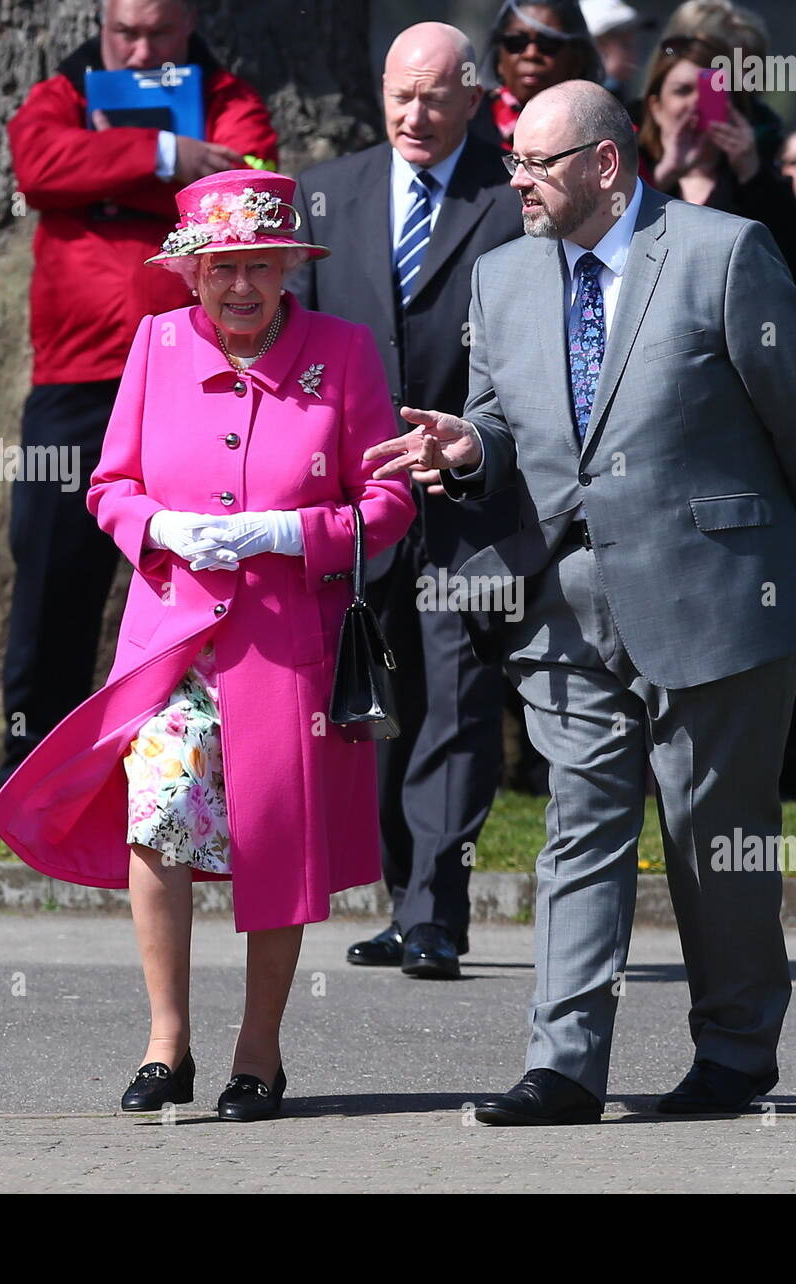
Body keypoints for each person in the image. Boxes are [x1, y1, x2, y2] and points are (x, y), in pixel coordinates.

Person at [366, 82, 796, 1124]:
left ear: (603, 165)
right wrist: (468, 447)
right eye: (511, 161)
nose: (515, 184)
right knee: (578, 827)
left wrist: (786, 553)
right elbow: (500, 421)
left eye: (535, 165)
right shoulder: (500, 279)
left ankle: (733, 1054)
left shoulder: (723, 253)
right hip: (565, 605)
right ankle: (563, 1065)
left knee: (709, 835)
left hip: (720, 596)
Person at [0, 169, 415, 1121]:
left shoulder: (342, 354)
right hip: (175, 643)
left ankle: (258, 1054)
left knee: (275, 836)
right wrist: (162, 530)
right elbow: (108, 487)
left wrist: (288, 534)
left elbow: (387, 505)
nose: (242, 287)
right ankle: (165, 1045)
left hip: (287, 647)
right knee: (160, 808)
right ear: (189, 274)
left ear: (290, 267)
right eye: (222, 268)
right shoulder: (155, 343)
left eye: (261, 265)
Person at [292, 23, 523, 980]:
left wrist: (478, 445)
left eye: (434, 96)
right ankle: (399, 895)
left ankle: (437, 908)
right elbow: (304, 342)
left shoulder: (512, 197)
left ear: (474, 97)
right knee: (377, 699)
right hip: (361, 495)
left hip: (467, 488)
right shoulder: (327, 192)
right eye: (399, 94)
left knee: (461, 702)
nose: (413, 115)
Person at [0, 0, 278, 786]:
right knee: (54, 573)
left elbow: (245, 202)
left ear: (188, 25)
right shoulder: (64, 88)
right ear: (102, 25)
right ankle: (33, 768)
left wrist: (104, 173)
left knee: (208, 576)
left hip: (200, 377)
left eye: (161, 33)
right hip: (77, 378)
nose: (144, 49)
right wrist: (166, 155)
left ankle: (219, 761)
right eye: (127, 34)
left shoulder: (231, 95)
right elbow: (37, 166)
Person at [636, 16, 796, 292]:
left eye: (707, 90)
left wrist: (751, 171)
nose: (695, 103)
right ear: (655, 107)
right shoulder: (632, 168)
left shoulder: (754, 175)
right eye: (682, 91)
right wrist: (665, 174)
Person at [470, 0, 603, 153]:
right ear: (498, 58)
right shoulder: (463, 123)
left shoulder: (606, 132)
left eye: (548, 43)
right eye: (516, 42)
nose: (531, 53)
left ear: (578, 59)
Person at [580, 0, 653, 110]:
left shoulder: (621, 95)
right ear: (595, 47)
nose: (634, 53)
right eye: (626, 45)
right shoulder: (581, 101)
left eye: (635, 44)